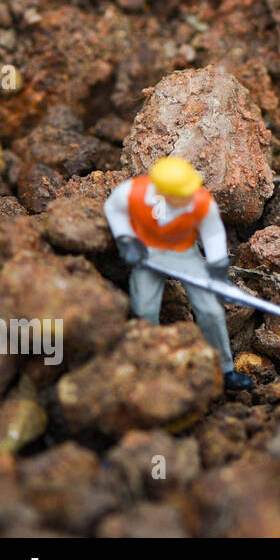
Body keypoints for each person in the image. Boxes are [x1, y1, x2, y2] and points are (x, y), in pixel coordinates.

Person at [103, 155, 253, 391]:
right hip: (148, 253)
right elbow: (113, 208)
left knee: (211, 310)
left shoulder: (201, 202)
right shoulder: (134, 192)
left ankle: (225, 369)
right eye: (182, 193)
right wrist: (125, 239)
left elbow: (212, 234)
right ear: (162, 191)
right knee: (143, 308)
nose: (189, 196)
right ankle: (152, 364)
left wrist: (217, 270)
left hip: (184, 254)